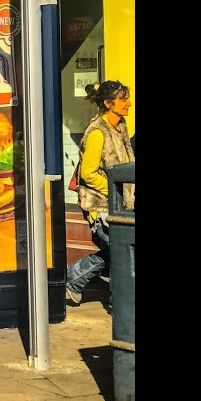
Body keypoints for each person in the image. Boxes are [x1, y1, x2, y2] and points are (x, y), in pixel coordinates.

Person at [65, 79, 134, 305]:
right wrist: (115, 190)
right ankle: (120, 305)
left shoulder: (120, 126)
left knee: (116, 252)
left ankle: (73, 279)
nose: (129, 104)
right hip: (101, 205)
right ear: (108, 103)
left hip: (120, 203)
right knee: (122, 253)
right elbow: (88, 173)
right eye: (123, 100)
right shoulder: (97, 132)